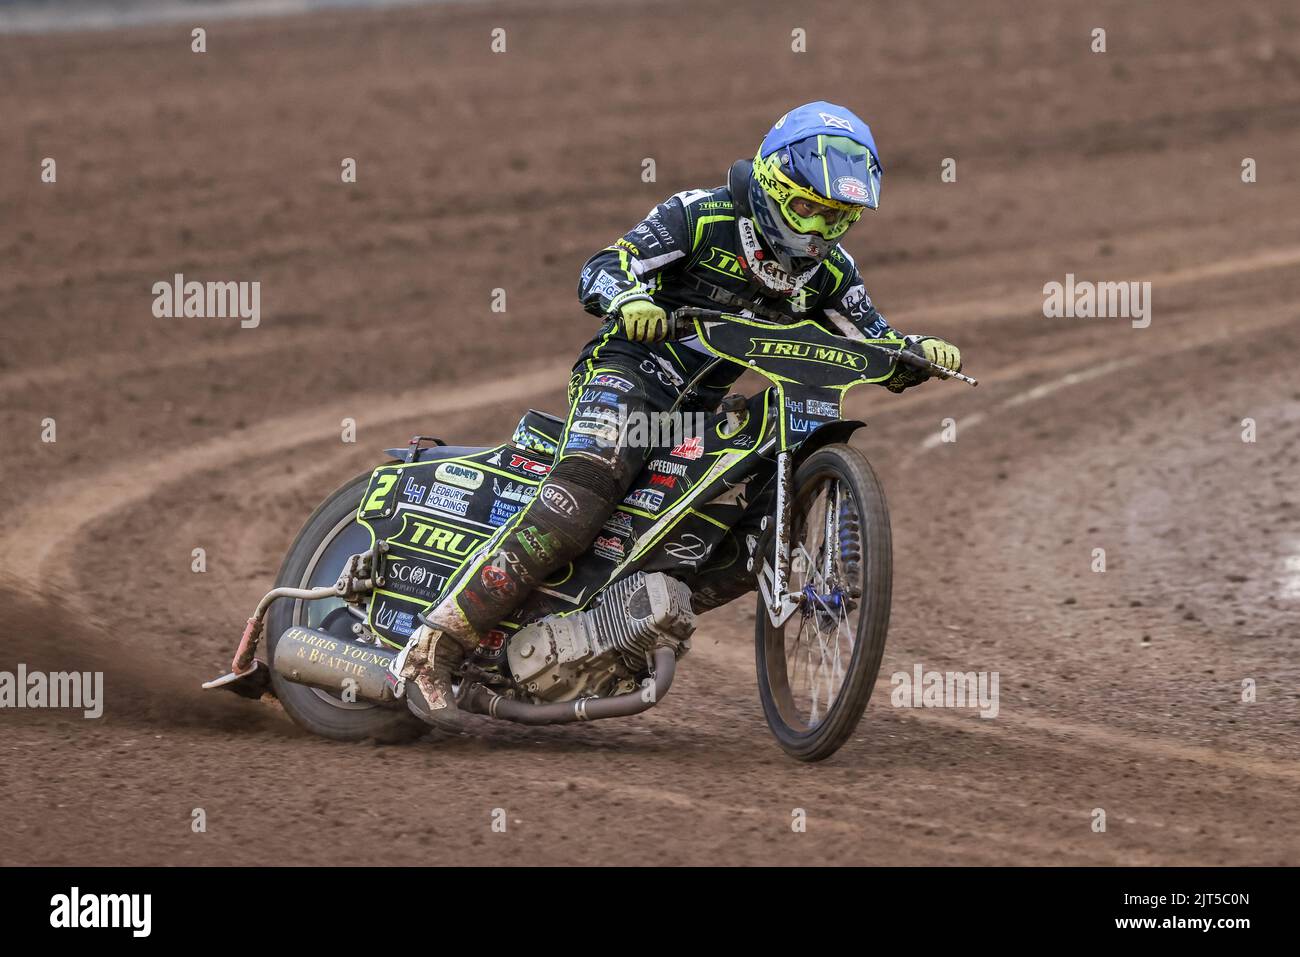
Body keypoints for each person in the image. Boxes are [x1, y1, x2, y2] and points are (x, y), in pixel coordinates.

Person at [399, 101, 962, 722]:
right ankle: (433, 647)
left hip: (699, 411)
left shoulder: (829, 272)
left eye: (838, 219)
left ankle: (608, 630)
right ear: (774, 185)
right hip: (629, 376)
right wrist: (632, 299)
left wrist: (912, 353)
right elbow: (602, 267)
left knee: (739, 536)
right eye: (807, 208)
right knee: (583, 498)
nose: (819, 232)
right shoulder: (700, 216)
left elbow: (872, 336)